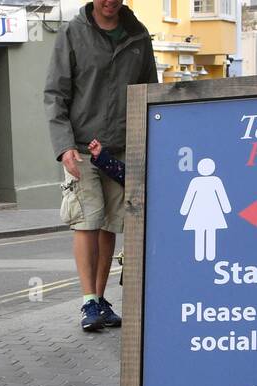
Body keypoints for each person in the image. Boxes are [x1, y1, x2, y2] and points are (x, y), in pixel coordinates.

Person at [45, 0, 157, 332]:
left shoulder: (138, 36)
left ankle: (101, 299)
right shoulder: (72, 33)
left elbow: (151, 91)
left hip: (121, 148)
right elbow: (55, 94)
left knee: (110, 224)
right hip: (80, 146)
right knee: (87, 220)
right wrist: (63, 146)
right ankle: (88, 301)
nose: (110, 1)